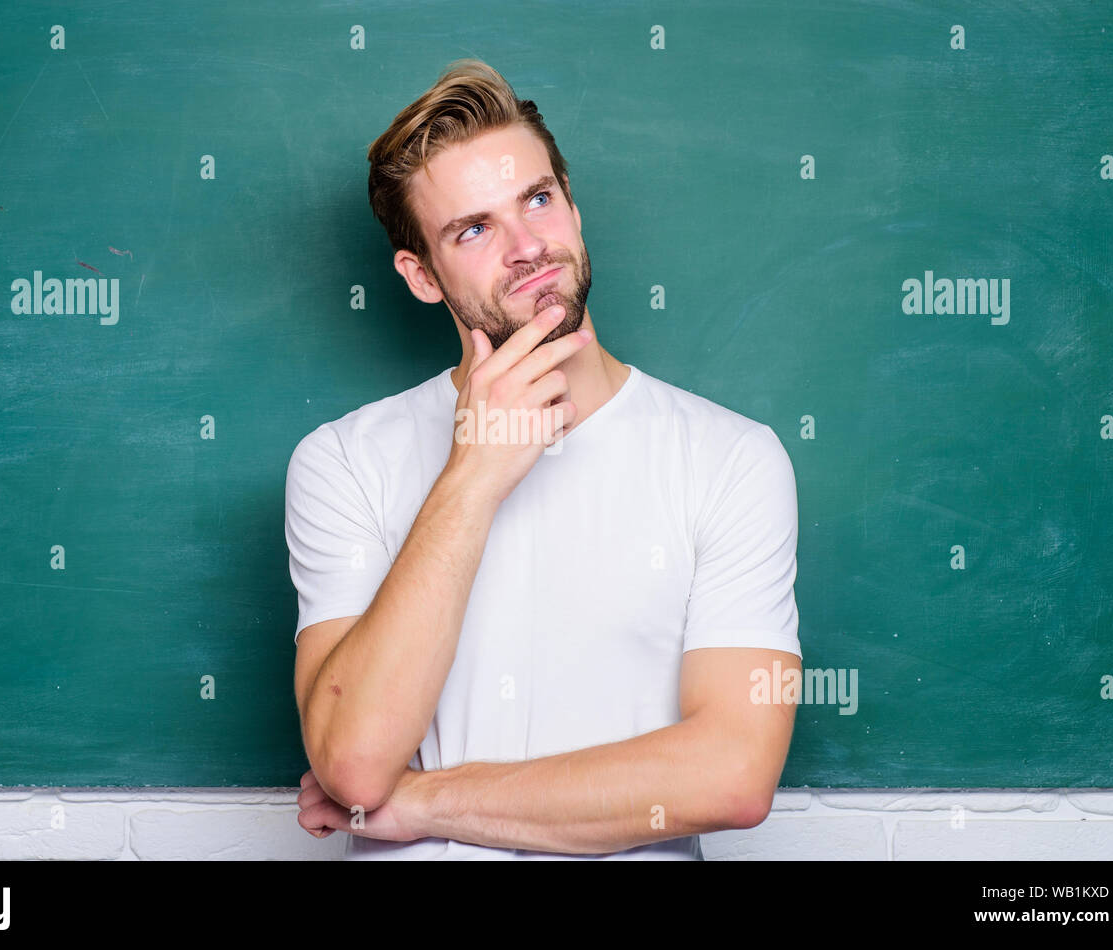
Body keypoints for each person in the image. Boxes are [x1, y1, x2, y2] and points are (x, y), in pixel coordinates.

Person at [286, 59, 802, 859]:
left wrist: (420, 801)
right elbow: (353, 765)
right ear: (421, 276)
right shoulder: (342, 464)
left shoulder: (731, 459)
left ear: (573, 207)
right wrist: (472, 476)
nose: (529, 247)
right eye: (474, 228)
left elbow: (731, 776)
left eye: (537, 199)